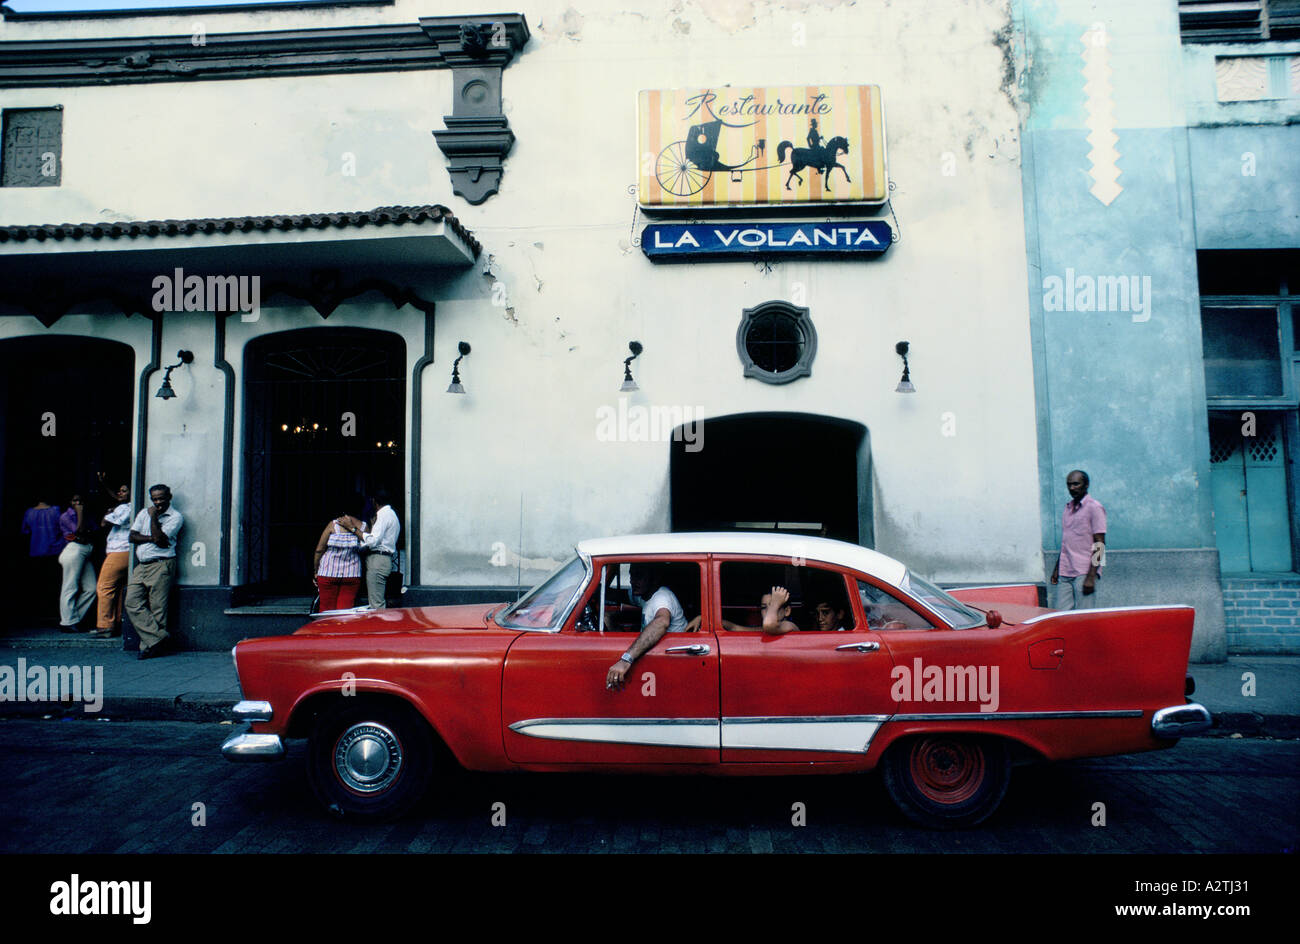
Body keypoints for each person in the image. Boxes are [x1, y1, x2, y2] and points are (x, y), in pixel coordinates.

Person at [123, 484, 184, 659]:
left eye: (161, 498)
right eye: (154, 499)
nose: (158, 503)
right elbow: (132, 536)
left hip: (161, 564)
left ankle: (149, 647)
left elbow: (160, 538)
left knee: (158, 608)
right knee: (132, 602)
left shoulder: (175, 517)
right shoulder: (143, 512)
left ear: (169, 497)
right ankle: (160, 639)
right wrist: (151, 538)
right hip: (141, 565)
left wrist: (153, 518)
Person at [604, 563, 687, 690]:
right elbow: (617, 594)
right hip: (662, 658)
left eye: (639, 575)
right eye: (631, 574)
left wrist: (626, 659)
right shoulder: (644, 595)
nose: (632, 580)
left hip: (676, 663)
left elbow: (662, 622)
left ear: (655, 578)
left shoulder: (662, 597)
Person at [1050, 469, 1106, 610]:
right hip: (1065, 571)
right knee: (1061, 616)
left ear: (1086, 485)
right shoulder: (1068, 508)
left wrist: (1092, 576)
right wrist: (1057, 568)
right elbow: (1066, 541)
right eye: (1069, 485)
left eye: (1076, 484)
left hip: (1084, 571)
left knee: (1084, 617)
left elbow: (1100, 544)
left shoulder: (1095, 508)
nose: (1072, 488)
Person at [93, 475, 132, 638]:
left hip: (119, 551)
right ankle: (115, 622)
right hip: (125, 551)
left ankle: (104, 625)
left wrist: (108, 513)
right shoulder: (128, 507)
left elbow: (104, 523)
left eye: (124, 491)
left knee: (104, 587)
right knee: (119, 588)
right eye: (119, 491)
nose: (120, 493)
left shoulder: (126, 508)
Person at [314, 503, 366, 611]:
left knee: (326, 610)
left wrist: (315, 571)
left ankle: (328, 628)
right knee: (345, 610)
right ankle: (342, 628)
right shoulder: (364, 527)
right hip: (352, 573)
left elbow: (319, 550)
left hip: (328, 572)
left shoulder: (333, 524)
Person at [56, 494, 96, 631]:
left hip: (86, 551)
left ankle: (74, 618)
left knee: (92, 588)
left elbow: (94, 530)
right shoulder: (66, 516)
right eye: (75, 500)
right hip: (74, 550)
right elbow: (79, 532)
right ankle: (67, 622)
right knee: (70, 586)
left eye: (80, 500)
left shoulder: (87, 514)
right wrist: (79, 513)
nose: (78, 503)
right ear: (70, 502)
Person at [21, 498, 64, 624]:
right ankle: (53, 611)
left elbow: (25, 531)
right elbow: (63, 528)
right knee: (54, 582)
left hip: (35, 550)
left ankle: (38, 611)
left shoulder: (29, 512)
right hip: (53, 550)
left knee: (37, 583)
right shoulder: (55, 511)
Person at [358, 488, 400, 608]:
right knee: (377, 600)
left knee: (376, 604)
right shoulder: (390, 514)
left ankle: (380, 626)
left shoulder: (383, 515)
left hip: (378, 559)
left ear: (374, 501)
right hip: (383, 559)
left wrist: (354, 530)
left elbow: (373, 541)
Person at [718, 585, 800, 635]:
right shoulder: (767, 628)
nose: (768, 611)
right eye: (764, 607)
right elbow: (735, 628)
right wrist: (724, 624)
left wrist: (775, 604)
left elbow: (769, 625)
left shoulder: (790, 625)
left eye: (772, 607)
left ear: (787, 611)